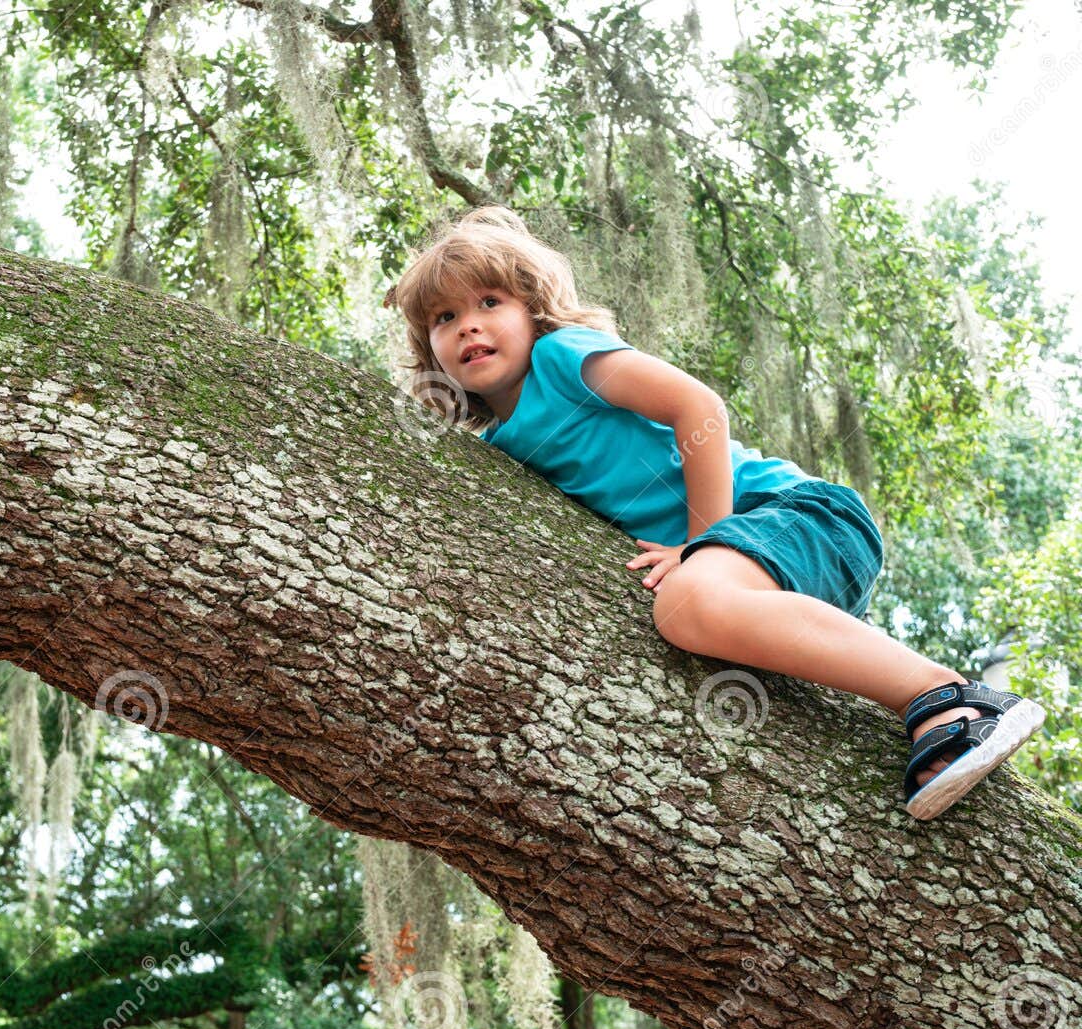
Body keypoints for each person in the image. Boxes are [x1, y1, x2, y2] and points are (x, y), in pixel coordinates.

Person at [383, 205, 1046, 820]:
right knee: (698, 614)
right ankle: (930, 719)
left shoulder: (564, 358)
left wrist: (702, 544)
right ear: (429, 350)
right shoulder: (495, 450)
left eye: (490, 302)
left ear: (533, 312)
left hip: (799, 517)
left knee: (683, 606)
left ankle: (952, 698)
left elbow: (697, 409)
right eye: (443, 317)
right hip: (764, 582)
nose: (468, 324)